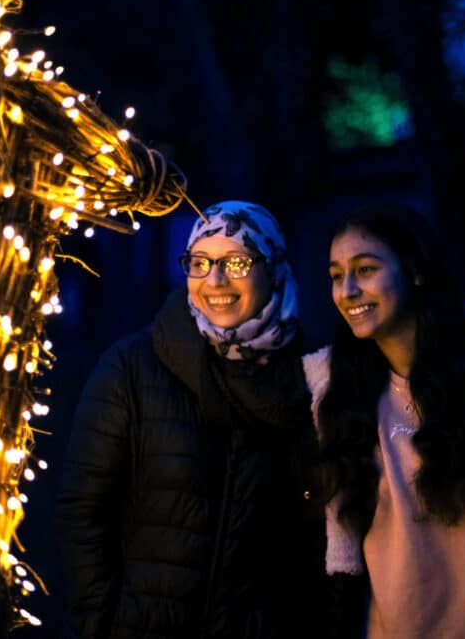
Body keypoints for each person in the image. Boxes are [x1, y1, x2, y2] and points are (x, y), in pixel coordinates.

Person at [55, 200, 325, 638]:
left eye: (236, 261)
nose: (215, 281)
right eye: (199, 263)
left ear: (271, 266)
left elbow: (316, 538)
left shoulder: (311, 376)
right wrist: (99, 623)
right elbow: (83, 513)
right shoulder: (132, 368)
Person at [303, 204, 465, 639]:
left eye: (365, 269)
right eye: (336, 275)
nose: (347, 290)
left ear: (414, 271)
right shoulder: (338, 393)